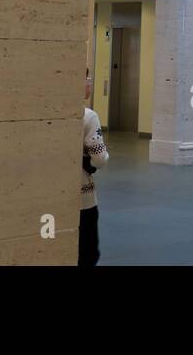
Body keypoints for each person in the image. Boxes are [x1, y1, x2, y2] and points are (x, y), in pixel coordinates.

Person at [81, 70, 109, 266]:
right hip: (83, 197)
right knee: (87, 253)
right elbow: (99, 157)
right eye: (87, 80)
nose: (89, 84)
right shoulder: (88, 117)